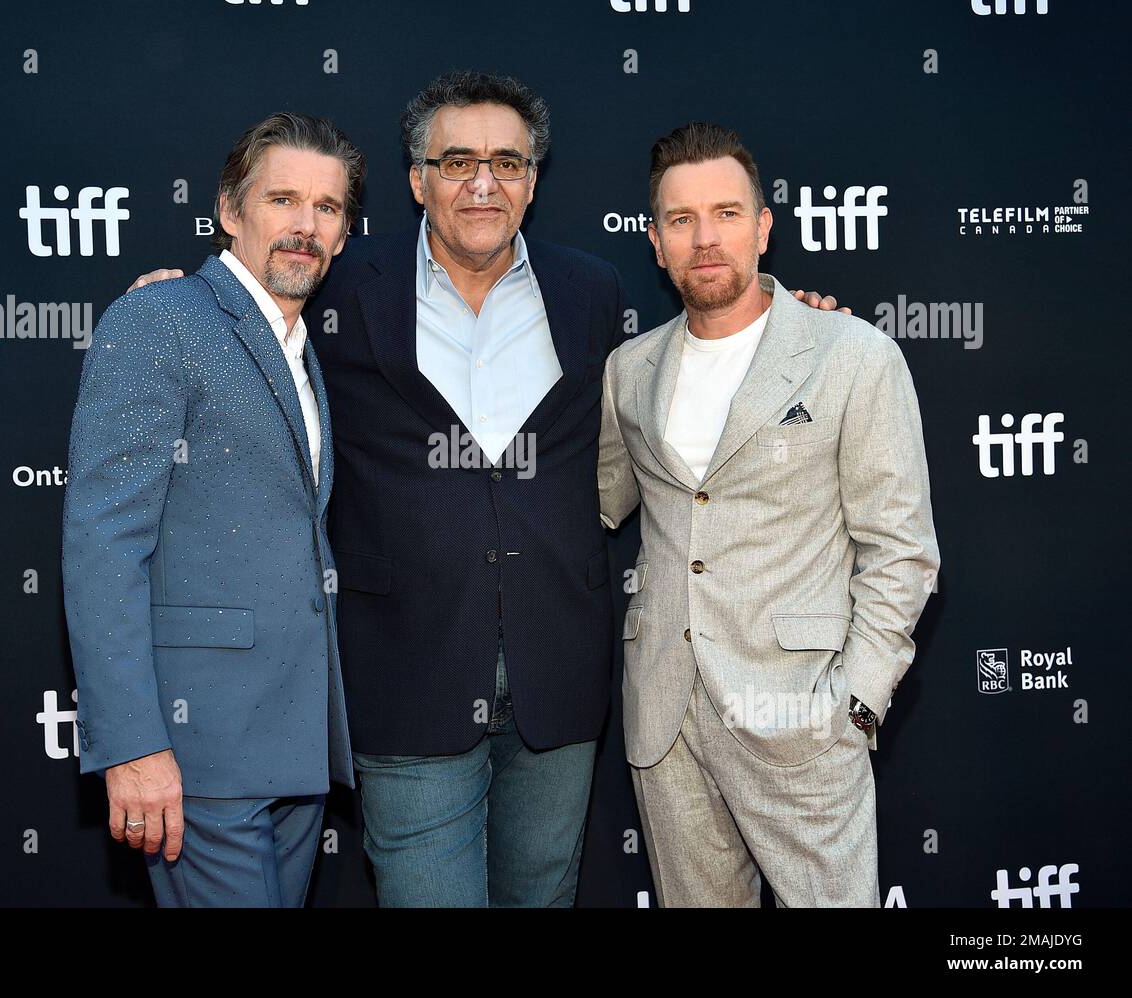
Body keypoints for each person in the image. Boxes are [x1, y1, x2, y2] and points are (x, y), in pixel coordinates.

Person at [129, 77, 846, 908]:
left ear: (533, 182)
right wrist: (179, 305)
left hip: (558, 677)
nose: (482, 182)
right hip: (406, 674)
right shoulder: (339, 284)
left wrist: (797, 323)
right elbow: (257, 313)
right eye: (457, 160)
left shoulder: (590, 294)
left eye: (506, 162)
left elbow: (692, 376)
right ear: (415, 180)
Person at [598, 121, 940, 907]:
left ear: (763, 227)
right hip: (666, 720)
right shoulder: (629, 371)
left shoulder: (852, 354)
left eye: (725, 213)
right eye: (680, 220)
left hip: (802, 718)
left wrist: (856, 702)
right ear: (655, 243)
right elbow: (597, 503)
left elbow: (902, 550)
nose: (704, 238)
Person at [62, 112, 365, 907]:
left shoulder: (298, 349)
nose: (305, 226)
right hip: (199, 753)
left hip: (294, 745)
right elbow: (103, 543)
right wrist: (132, 745)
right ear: (232, 212)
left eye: (327, 209)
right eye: (284, 200)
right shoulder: (161, 321)